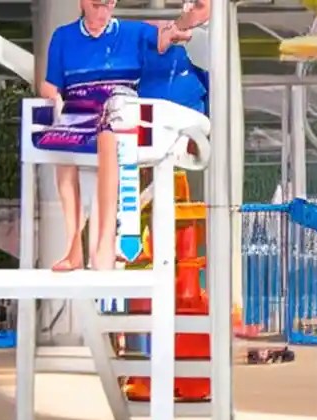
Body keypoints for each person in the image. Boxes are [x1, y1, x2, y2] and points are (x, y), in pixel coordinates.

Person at [38, 0, 190, 272]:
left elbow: (165, 36)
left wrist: (180, 26)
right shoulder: (63, 37)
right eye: (97, 5)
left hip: (122, 110)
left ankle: (104, 242)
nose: (102, 11)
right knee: (61, 151)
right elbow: (50, 85)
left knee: (108, 133)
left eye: (108, 4)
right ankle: (74, 246)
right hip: (79, 109)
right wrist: (55, 99)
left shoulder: (133, 32)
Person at [140, 0, 212, 114]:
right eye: (186, 2)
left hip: (189, 123)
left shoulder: (211, 42)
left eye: (197, 4)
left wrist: (186, 34)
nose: (188, 8)